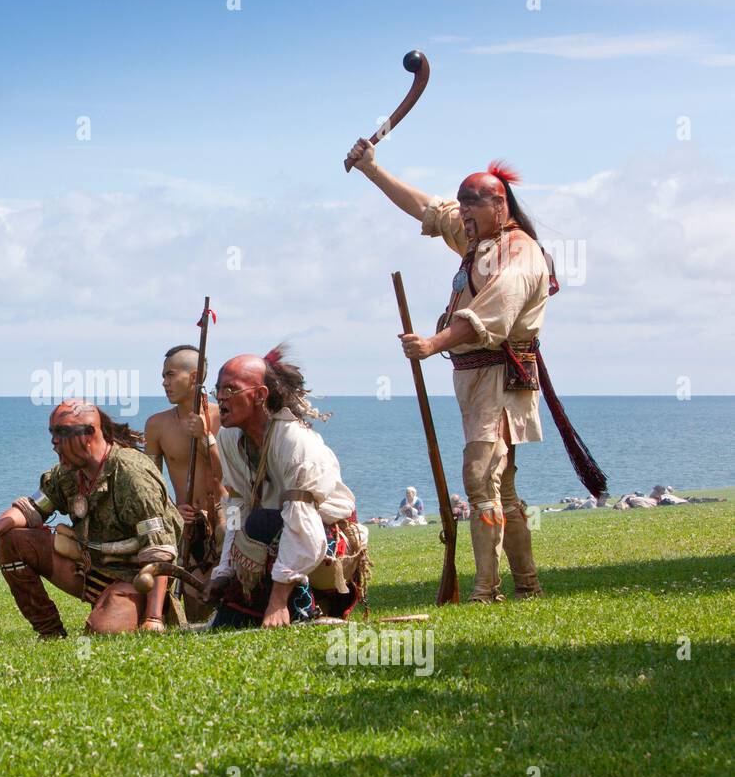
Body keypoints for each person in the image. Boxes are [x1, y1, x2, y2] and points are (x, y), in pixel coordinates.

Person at [348, 138, 550, 603]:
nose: (462, 217)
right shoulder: (477, 239)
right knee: (502, 484)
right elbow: (425, 208)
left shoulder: (519, 252)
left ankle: (484, 589)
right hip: (474, 380)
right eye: (461, 208)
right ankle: (528, 585)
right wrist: (371, 170)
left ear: (499, 205)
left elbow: (494, 313)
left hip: (501, 378)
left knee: (479, 478)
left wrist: (433, 343)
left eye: (472, 208)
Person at [0, 401, 182, 638]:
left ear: (89, 434)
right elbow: (32, 508)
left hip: (135, 578)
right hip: (89, 567)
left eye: (62, 433)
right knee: (11, 542)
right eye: (52, 434)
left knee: (103, 633)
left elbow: (160, 552)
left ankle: (139, 610)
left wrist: (153, 619)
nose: (54, 443)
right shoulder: (68, 472)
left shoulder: (131, 474)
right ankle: (50, 633)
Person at [203, 347, 369, 628]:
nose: (220, 398)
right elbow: (237, 506)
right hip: (272, 531)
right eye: (218, 390)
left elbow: (303, 523)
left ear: (260, 395)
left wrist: (278, 601)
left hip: (326, 540)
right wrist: (225, 570)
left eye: (231, 389)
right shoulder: (229, 438)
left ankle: (305, 605)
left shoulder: (294, 441)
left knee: (266, 523)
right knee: (258, 526)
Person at [144, 344, 225, 621]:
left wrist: (205, 439)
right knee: (195, 603)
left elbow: (230, 476)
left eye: (170, 375)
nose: (164, 383)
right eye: (163, 377)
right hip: (185, 522)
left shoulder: (223, 417)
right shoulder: (156, 425)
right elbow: (150, 485)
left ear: (194, 377)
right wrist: (172, 510)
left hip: (225, 515)